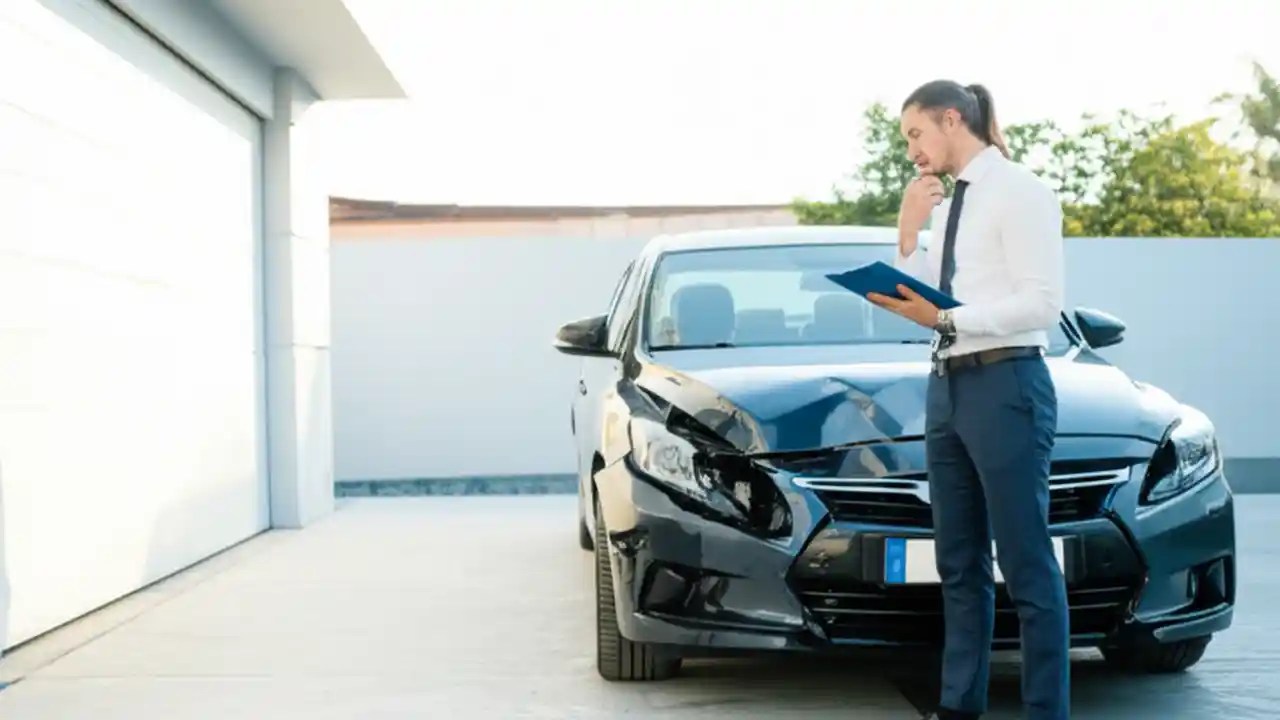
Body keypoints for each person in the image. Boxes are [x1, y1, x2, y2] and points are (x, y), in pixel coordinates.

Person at [866, 80, 1069, 720]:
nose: (913, 151)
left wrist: (949, 322)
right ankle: (960, 708)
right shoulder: (953, 205)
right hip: (948, 387)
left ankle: (1045, 711)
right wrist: (908, 228)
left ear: (952, 120)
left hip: (1007, 385)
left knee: (1026, 563)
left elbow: (1042, 304)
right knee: (959, 563)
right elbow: (929, 297)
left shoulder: (1021, 192)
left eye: (915, 134)